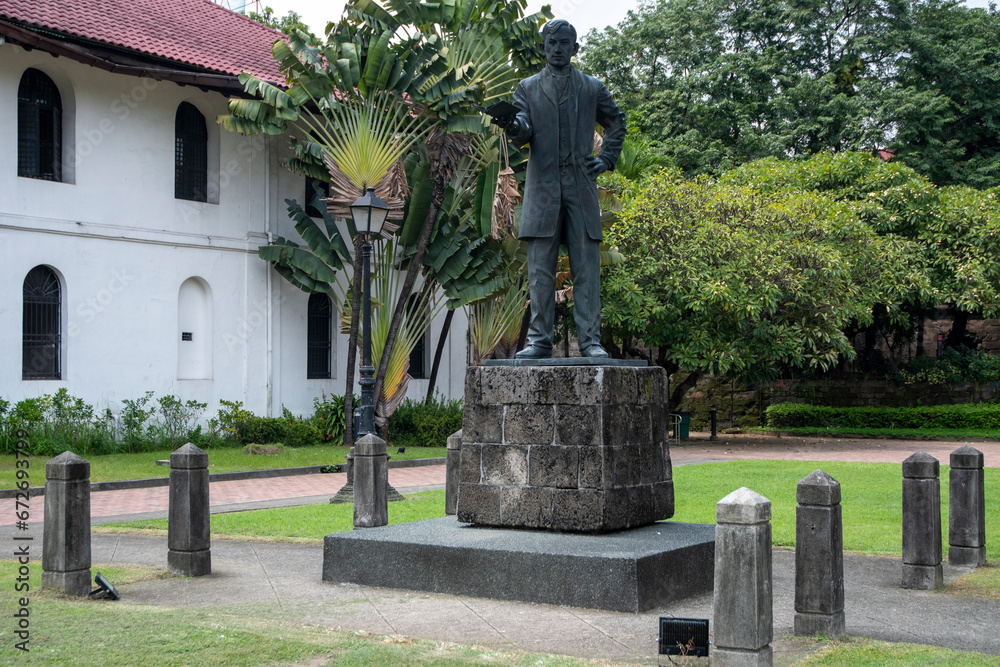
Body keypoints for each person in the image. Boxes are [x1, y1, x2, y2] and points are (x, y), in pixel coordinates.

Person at [496, 19, 626, 359]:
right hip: (543, 191)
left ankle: (590, 341)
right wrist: (513, 125)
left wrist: (607, 158)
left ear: (575, 48)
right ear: (543, 47)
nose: (557, 48)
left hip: (581, 187)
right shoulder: (527, 88)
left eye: (563, 43)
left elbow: (616, 122)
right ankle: (539, 340)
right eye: (551, 43)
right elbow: (524, 127)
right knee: (539, 271)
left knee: (587, 268)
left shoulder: (592, 88)